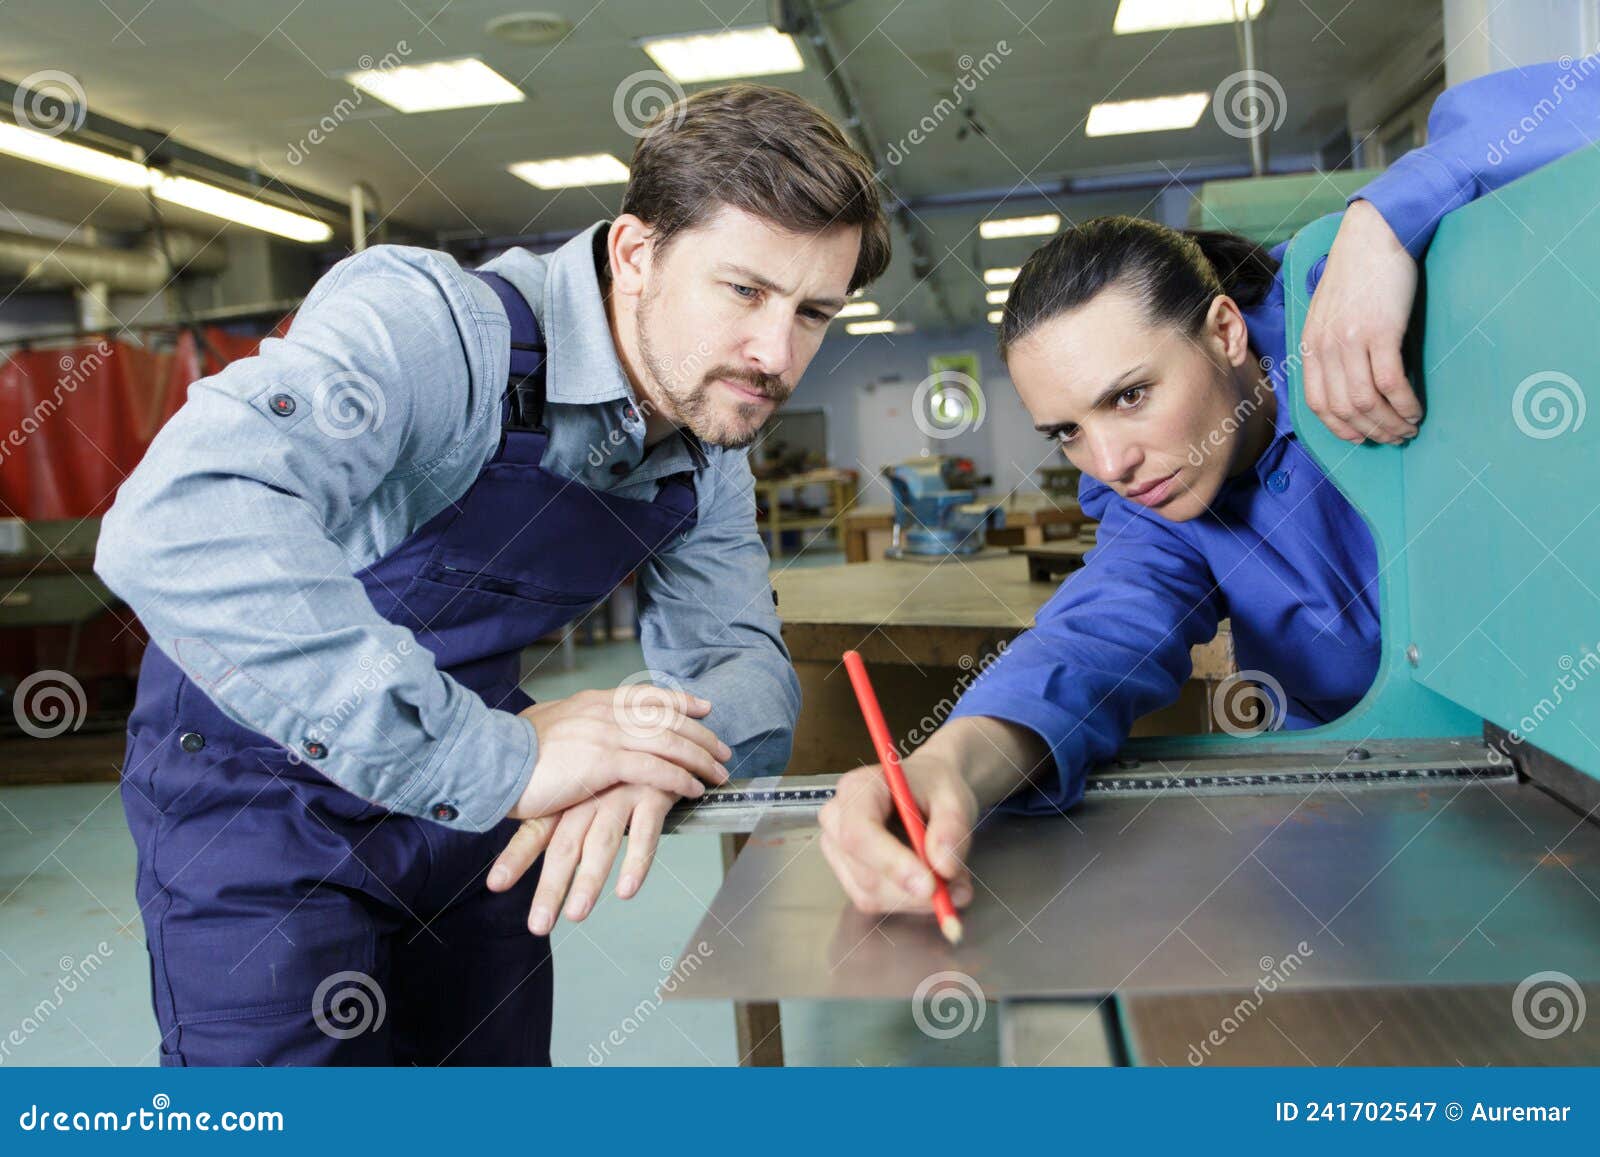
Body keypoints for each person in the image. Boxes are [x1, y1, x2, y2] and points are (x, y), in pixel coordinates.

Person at [96, 83, 890, 1065]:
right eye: (745, 291)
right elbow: (180, 518)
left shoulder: (704, 449)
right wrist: (495, 757)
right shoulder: (432, 331)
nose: (777, 352)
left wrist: (648, 748)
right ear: (636, 254)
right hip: (263, 796)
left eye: (813, 312)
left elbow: (746, 673)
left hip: (477, 821)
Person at [817, 57, 1600, 918]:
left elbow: (1576, 101)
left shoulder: (1367, 301)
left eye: (1130, 394)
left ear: (1226, 332)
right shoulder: (1158, 510)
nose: (1108, 460)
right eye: (1069, 430)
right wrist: (948, 766)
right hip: (1393, 820)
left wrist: (1386, 219)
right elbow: (1091, 645)